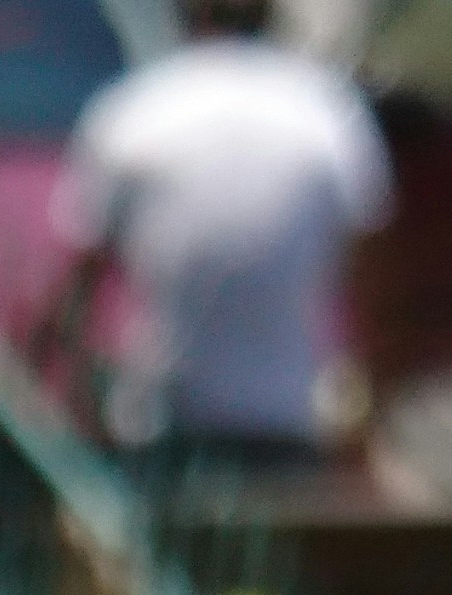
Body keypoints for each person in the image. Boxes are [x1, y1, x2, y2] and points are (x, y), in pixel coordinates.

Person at [38, 0, 393, 455]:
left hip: (161, 425)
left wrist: (77, 407)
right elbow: (375, 283)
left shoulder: (133, 111)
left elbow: (77, 288)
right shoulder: (329, 114)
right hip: (290, 418)